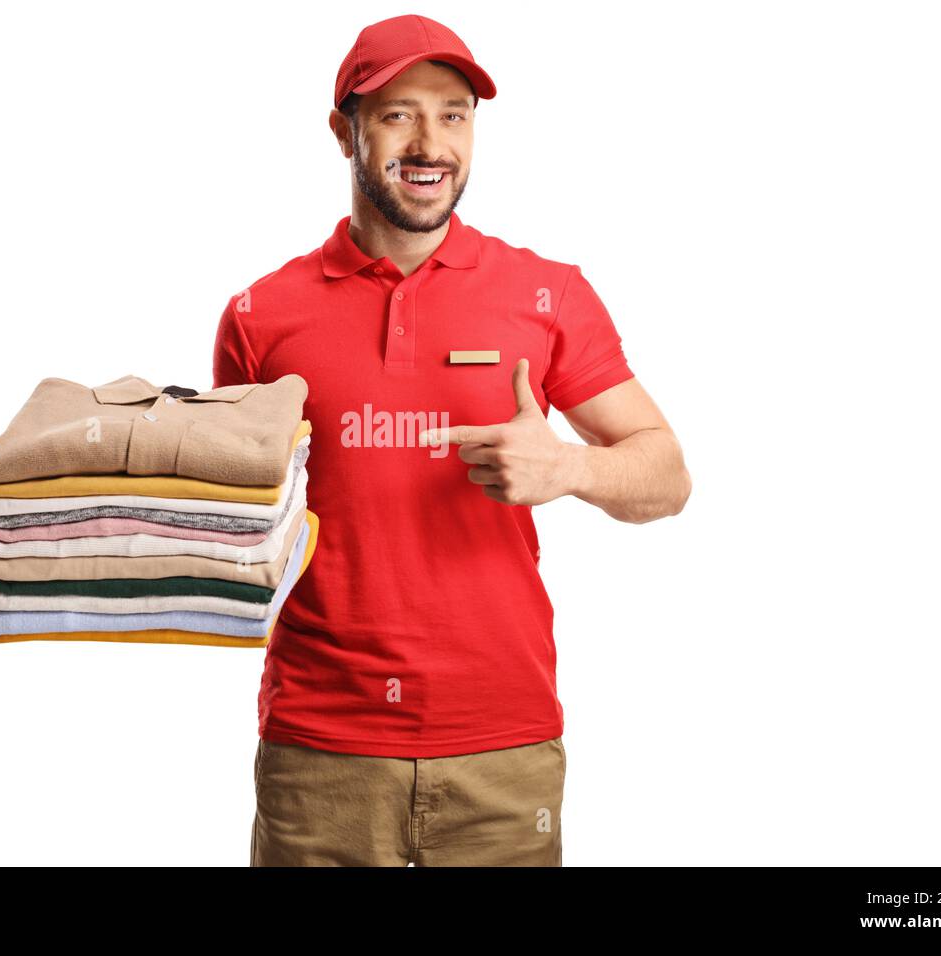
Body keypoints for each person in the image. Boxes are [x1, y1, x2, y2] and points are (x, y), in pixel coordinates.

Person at [213, 14, 691, 866]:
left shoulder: (548, 295)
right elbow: (240, 522)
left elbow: (668, 477)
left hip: (502, 746)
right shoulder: (261, 317)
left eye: (455, 112)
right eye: (399, 114)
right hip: (320, 750)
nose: (431, 141)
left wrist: (569, 466)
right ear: (344, 130)